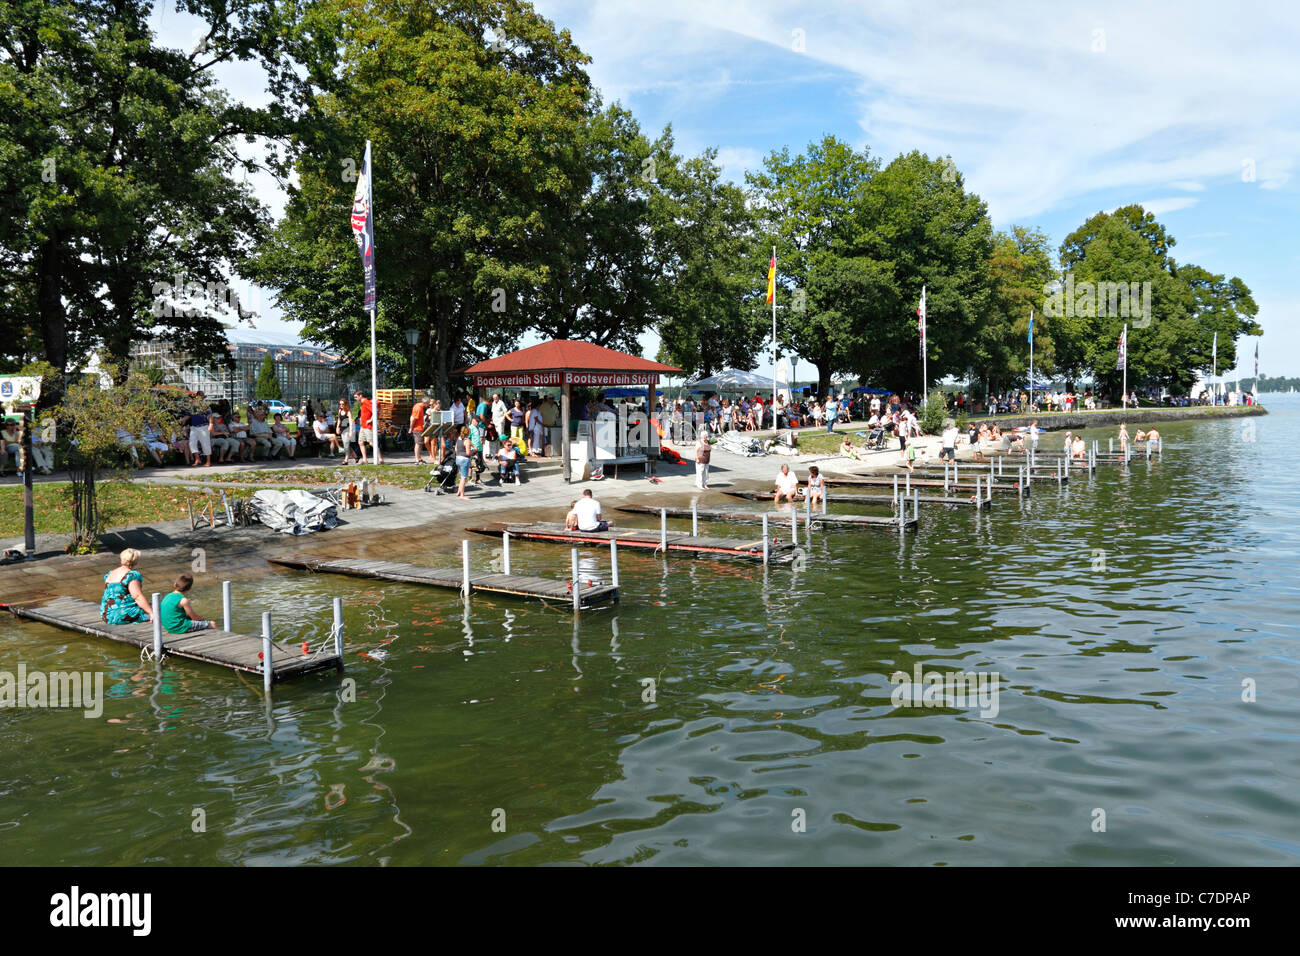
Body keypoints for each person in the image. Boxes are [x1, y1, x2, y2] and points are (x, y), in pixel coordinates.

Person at [99, 548, 152, 625]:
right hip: (121, 615)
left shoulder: (110, 573)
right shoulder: (131, 575)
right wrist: (151, 612)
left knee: (148, 605)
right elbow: (137, 596)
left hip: (106, 615)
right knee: (158, 609)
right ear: (135, 561)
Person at [188, 391, 212, 467]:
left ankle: (208, 461)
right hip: (194, 427)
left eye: (202, 395)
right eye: (200, 395)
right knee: (192, 443)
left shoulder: (205, 405)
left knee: (205, 444)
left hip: (203, 426)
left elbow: (210, 415)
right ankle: (197, 459)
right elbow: (189, 414)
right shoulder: (192, 405)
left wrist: (211, 424)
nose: (201, 397)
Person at [353, 390, 374, 464]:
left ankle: (380, 458)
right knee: (360, 442)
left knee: (371, 443)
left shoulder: (366, 402)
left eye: (356, 397)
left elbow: (374, 410)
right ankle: (365, 460)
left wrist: (370, 420)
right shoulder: (362, 403)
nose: (355, 399)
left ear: (360, 395)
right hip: (363, 426)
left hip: (368, 426)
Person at [453, 425, 472, 499]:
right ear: (468, 432)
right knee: (464, 477)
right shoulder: (466, 440)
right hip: (464, 460)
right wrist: (473, 451)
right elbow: (467, 453)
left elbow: (455, 449)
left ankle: (459, 491)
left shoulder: (459, 439)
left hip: (458, 459)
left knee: (461, 476)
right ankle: (462, 495)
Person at [410, 394, 428, 464]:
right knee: (418, 444)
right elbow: (413, 418)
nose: (428, 405)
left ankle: (419, 458)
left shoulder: (419, 407)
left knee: (420, 444)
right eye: (428, 404)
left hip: (420, 427)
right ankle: (417, 459)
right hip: (417, 428)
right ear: (424, 403)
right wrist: (411, 428)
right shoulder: (418, 408)